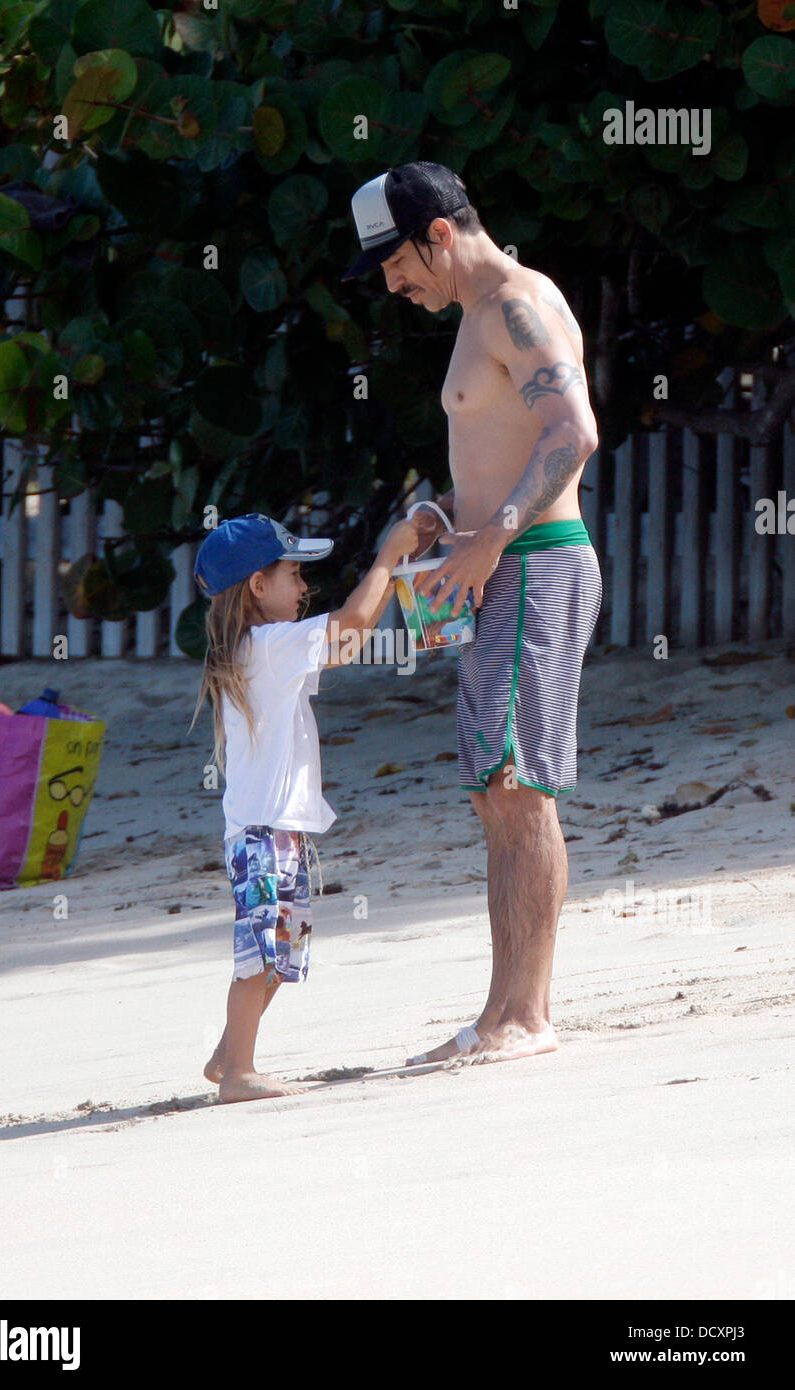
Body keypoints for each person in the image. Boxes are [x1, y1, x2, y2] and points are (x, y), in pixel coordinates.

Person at [342, 162, 602, 1067]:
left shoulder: (516, 305)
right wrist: (449, 524)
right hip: (506, 563)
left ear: (438, 235)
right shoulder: (481, 318)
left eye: (396, 262)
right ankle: (500, 1013)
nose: (391, 282)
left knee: (517, 787)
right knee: (497, 791)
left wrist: (489, 535)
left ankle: (525, 1019)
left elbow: (574, 432)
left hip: (535, 563)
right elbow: (513, 446)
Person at [190, 511, 421, 1102]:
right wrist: (388, 558)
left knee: (279, 953)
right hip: (263, 831)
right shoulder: (264, 645)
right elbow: (348, 630)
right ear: (258, 587)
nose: (303, 587)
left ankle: (228, 1051)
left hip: (280, 829)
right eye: (294, 575)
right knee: (258, 954)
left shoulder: (263, 647)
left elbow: (343, 639)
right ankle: (239, 1073)